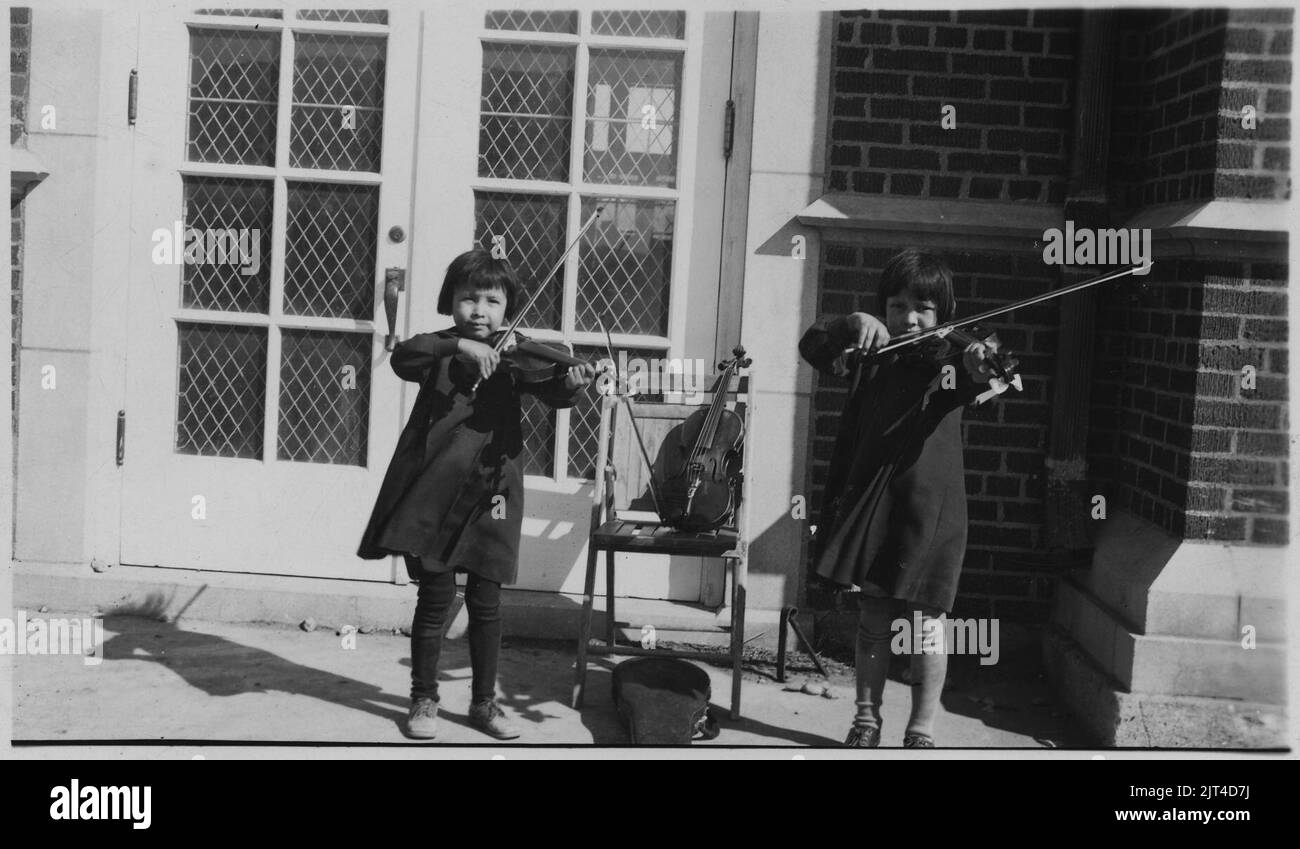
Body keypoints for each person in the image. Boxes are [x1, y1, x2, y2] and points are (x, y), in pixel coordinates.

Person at [358, 249, 595, 741]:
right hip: (436, 488)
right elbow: (404, 356)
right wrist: (460, 349)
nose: (480, 310)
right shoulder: (439, 347)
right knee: (436, 598)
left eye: (492, 300)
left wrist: (572, 385)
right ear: (452, 302)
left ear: (509, 307)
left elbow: (552, 390)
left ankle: (484, 704)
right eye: (469, 299)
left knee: (487, 602)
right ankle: (423, 700)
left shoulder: (517, 352)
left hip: (494, 488)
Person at [798, 248, 1004, 748]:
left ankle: (921, 731)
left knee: (928, 622)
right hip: (877, 503)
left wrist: (980, 361)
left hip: (933, 512)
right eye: (895, 306)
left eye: (923, 309)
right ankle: (865, 721)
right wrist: (852, 323)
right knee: (873, 617)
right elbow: (813, 345)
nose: (908, 318)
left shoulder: (953, 360)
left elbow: (988, 374)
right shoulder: (869, 355)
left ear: (943, 315)